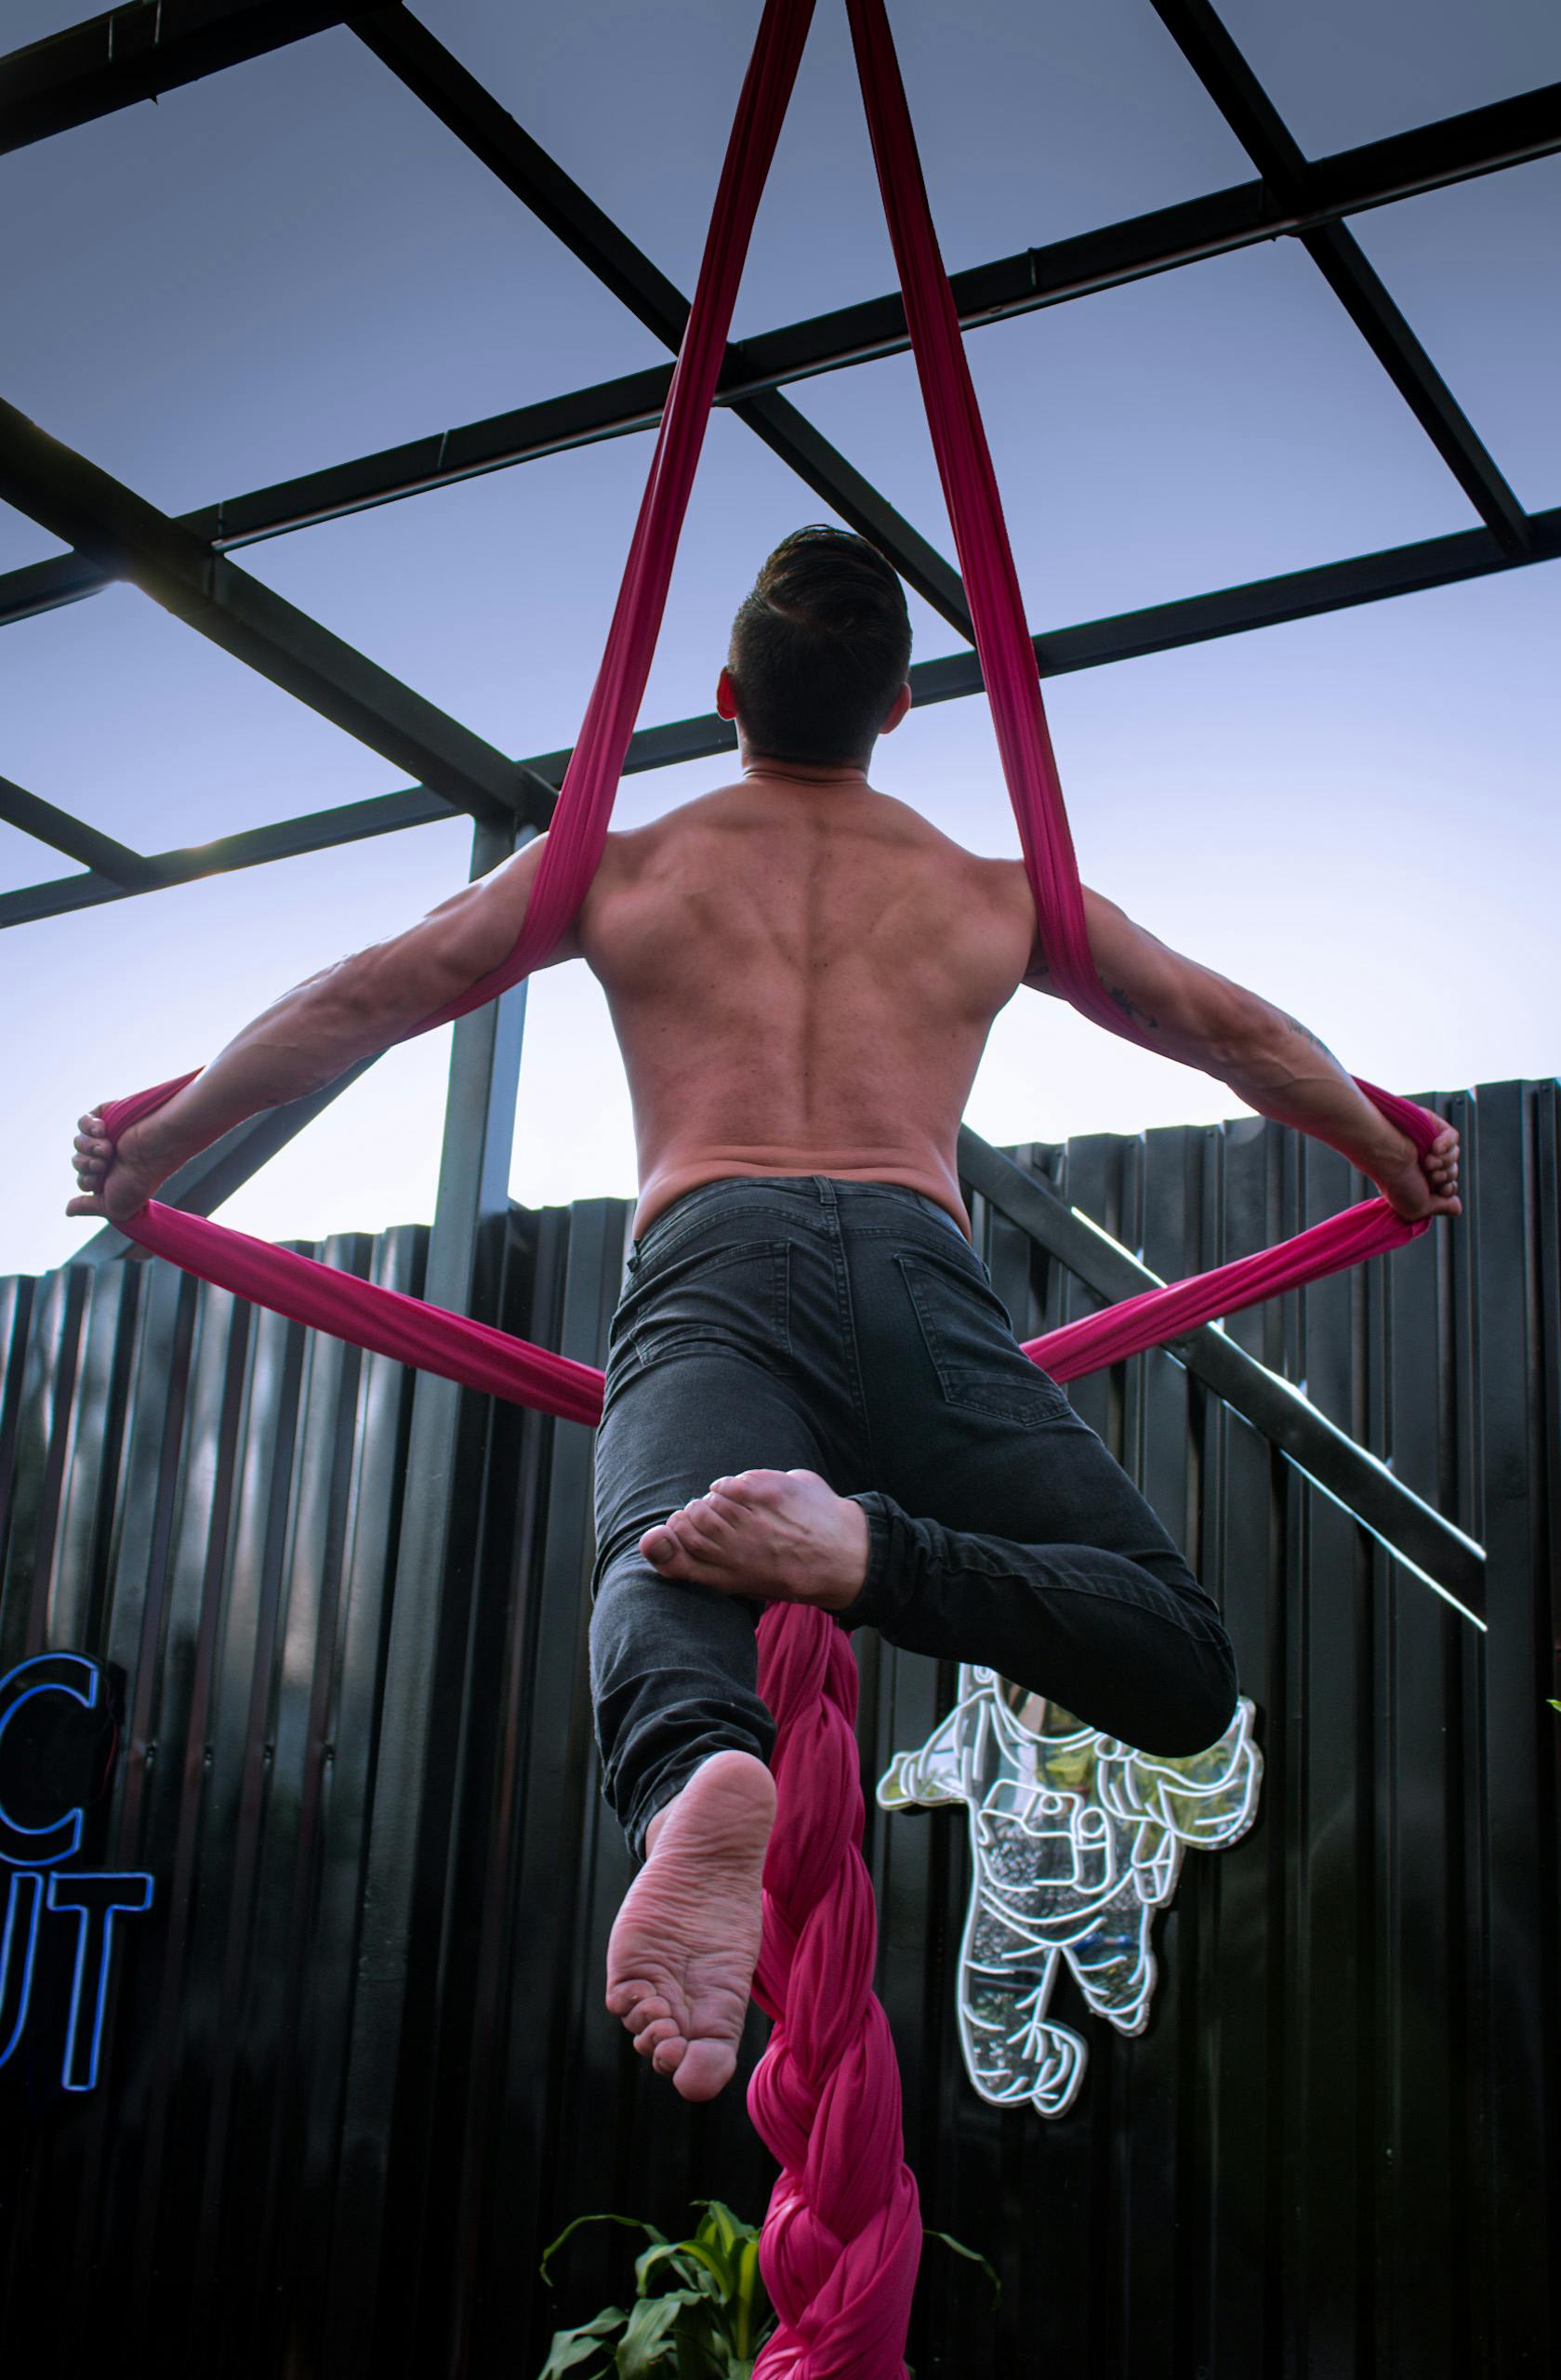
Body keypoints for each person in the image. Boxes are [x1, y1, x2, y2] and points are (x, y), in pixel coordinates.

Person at [69, 526, 1461, 2107]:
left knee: (660, 1546)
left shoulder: (619, 862)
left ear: (725, 693)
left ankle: (703, 1775)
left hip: (713, 1262)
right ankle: (874, 1556)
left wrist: (165, 1141)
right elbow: (1236, 1030)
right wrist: (1387, 1151)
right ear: (904, 705)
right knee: (1182, 1662)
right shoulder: (994, 892)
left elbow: (370, 991)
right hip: (920, 1278)